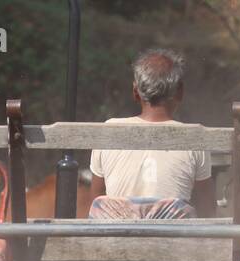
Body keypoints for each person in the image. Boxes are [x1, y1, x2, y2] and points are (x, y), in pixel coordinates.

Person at [88, 48, 216, 219]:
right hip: (174, 244)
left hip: (115, 241)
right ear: (180, 92)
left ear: (135, 92)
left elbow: (95, 198)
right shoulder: (194, 137)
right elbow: (207, 206)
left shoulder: (108, 130)